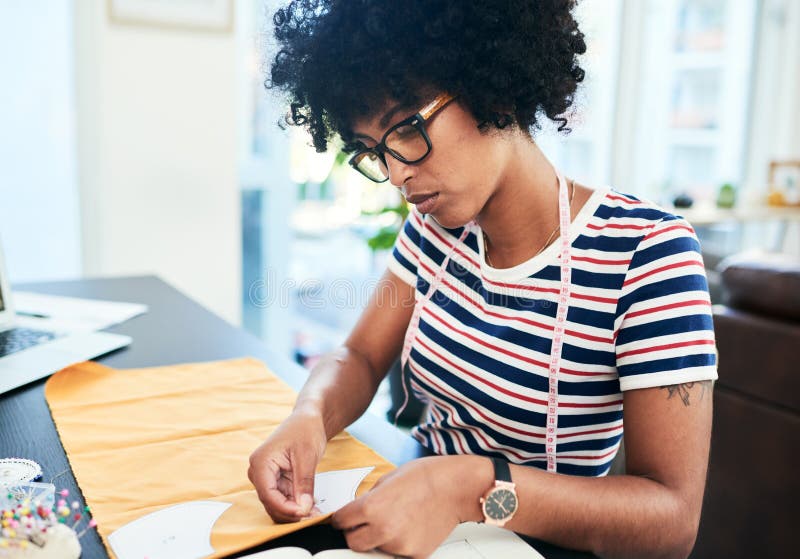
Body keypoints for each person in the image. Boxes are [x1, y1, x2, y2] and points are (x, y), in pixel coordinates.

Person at [248, 2, 718, 558]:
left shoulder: (647, 253)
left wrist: (471, 491)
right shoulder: (432, 232)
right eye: (372, 151)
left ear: (491, 89)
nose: (397, 172)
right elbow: (360, 356)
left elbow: (672, 522)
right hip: (419, 522)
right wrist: (309, 418)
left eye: (407, 128)